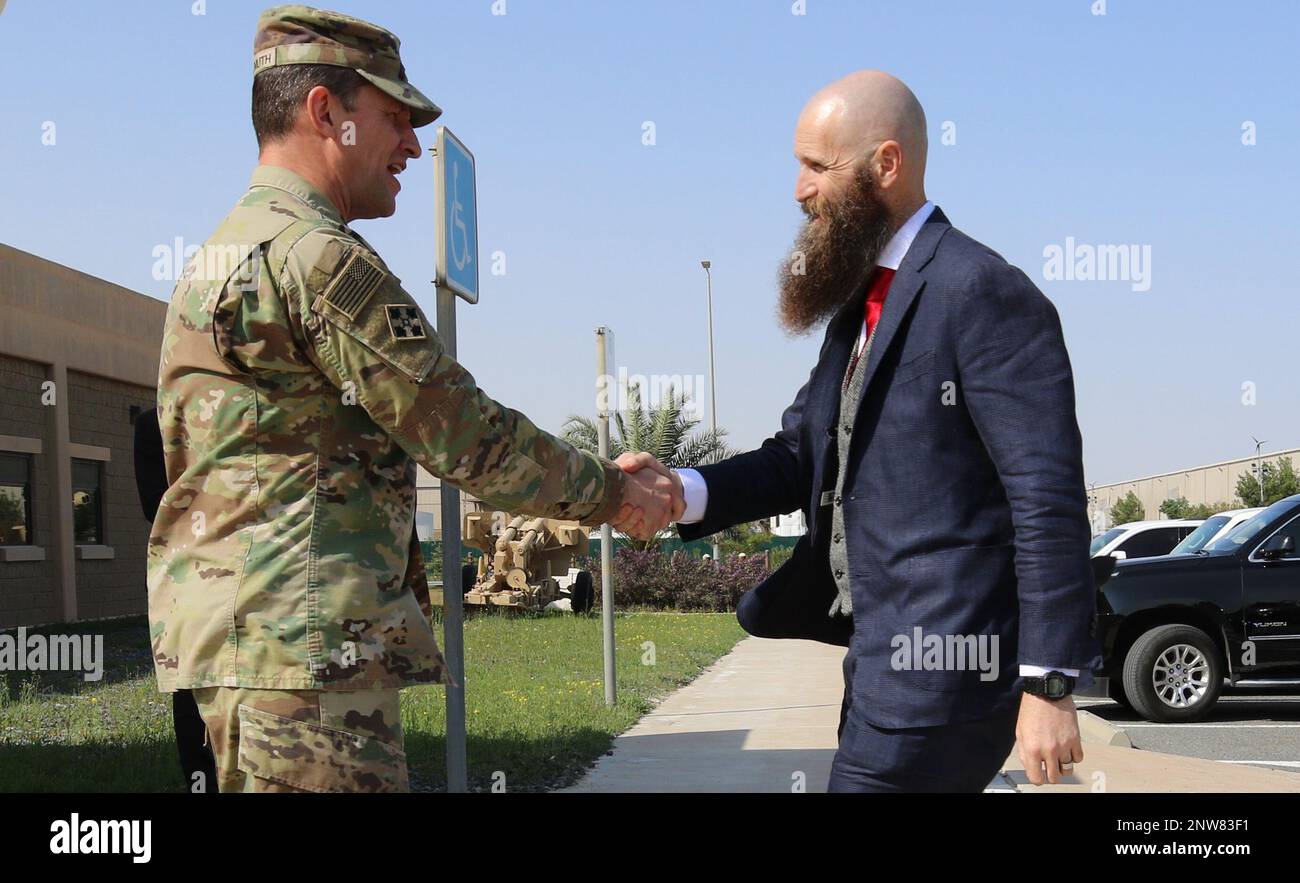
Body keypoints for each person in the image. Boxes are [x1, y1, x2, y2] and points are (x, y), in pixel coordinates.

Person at [148, 4, 679, 793]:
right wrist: (613, 491)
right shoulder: (318, 259)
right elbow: (462, 432)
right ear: (326, 112)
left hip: (252, 642)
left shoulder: (223, 251)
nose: (410, 145)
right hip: (308, 653)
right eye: (395, 117)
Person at [624, 71, 1102, 792]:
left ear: (887, 163)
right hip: (881, 668)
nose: (798, 189)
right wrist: (681, 490)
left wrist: (1049, 684)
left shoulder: (982, 291)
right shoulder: (860, 307)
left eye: (818, 166)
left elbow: (1048, 498)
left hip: (945, 678)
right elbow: (798, 455)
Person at [133, 407, 218, 793]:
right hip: (194, 577)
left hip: (195, 577)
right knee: (194, 689)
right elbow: (155, 507)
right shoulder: (154, 424)